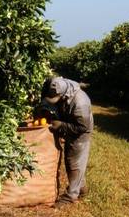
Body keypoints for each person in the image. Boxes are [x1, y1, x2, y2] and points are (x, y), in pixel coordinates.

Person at [37, 76, 93, 207]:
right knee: (73, 161)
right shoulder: (56, 83)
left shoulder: (80, 102)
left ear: (63, 94)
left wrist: (61, 125)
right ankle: (81, 188)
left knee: (74, 162)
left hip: (81, 132)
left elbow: (83, 127)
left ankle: (71, 196)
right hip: (70, 122)